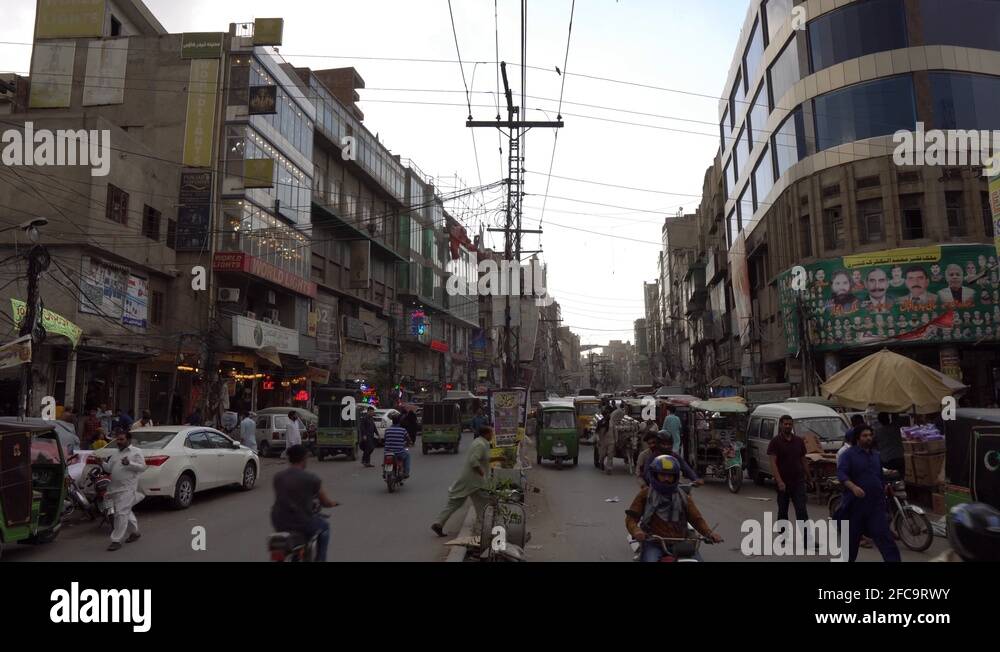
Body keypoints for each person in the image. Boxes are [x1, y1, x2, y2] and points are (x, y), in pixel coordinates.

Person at [625, 454, 723, 562]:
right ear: (655, 475)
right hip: (654, 542)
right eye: (663, 475)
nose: (666, 479)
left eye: (670, 476)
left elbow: (696, 519)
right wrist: (637, 531)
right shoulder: (645, 495)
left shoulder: (683, 497)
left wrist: (709, 533)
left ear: (675, 477)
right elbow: (631, 518)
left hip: (681, 542)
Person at [836, 426, 902, 562]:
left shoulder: (876, 455)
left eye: (870, 435)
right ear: (857, 438)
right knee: (851, 542)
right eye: (864, 435)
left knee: (885, 538)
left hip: (875, 505)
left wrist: (885, 487)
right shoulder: (848, 455)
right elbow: (841, 474)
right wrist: (853, 487)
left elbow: (879, 475)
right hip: (855, 506)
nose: (868, 438)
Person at [271, 444, 339, 562]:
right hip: (301, 521)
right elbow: (325, 501)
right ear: (304, 458)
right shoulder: (311, 478)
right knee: (325, 527)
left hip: (278, 521)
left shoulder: (278, 477)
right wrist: (332, 503)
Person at [431, 425, 494, 537]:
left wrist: (497, 459)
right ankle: (481, 532)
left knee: (455, 503)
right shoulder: (481, 444)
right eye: (491, 433)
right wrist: (482, 473)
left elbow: (482, 459)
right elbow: (474, 461)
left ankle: (438, 523)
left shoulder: (478, 442)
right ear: (486, 434)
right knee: (483, 505)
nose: (492, 435)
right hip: (476, 482)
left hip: (467, 480)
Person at [766, 415, 812, 540]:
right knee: (783, 510)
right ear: (781, 425)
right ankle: (783, 536)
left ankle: (807, 539)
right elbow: (773, 463)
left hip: (798, 481)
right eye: (785, 424)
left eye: (790, 424)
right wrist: (779, 481)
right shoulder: (775, 442)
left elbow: (803, 459)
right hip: (783, 483)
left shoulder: (798, 441)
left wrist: (809, 476)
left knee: (802, 510)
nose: (788, 426)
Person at [102, 429, 147, 551]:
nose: (119, 442)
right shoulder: (115, 453)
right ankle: (135, 532)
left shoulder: (136, 452)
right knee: (124, 512)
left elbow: (143, 467)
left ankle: (116, 540)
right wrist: (101, 463)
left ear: (128, 440)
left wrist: (130, 463)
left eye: (122, 439)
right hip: (114, 488)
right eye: (117, 439)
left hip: (128, 487)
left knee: (121, 513)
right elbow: (109, 469)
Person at [637, 430, 702, 487]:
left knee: (687, 499)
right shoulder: (650, 456)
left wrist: (695, 479)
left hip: (673, 485)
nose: (666, 446)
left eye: (668, 444)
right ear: (658, 444)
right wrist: (650, 482)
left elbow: (686, 468)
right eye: (663, 444)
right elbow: (646, 472)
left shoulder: (674, 455)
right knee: (641, 499)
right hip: (655, 486)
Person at [383, 413, 411, 478]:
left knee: (385, 456)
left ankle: (384, 471)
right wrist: (409, 443)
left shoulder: (387, 430)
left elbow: (385, 439)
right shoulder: (403, 430)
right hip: (399, 452)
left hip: (388, 452)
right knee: (407, 456)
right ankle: (406, 473)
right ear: (399, 421)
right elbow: (408, 439)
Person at [601, 401, 626, 475]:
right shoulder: (601, 423)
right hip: (603, 442)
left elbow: (615, 432)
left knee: (610, 455)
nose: (607, 416)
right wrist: (599, 440)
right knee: (602, 455)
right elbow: (598, 432)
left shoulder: (612, 423)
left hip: (611, 441)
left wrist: (616, 440)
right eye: (606, 415)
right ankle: (601, 462)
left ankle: (609, 468)